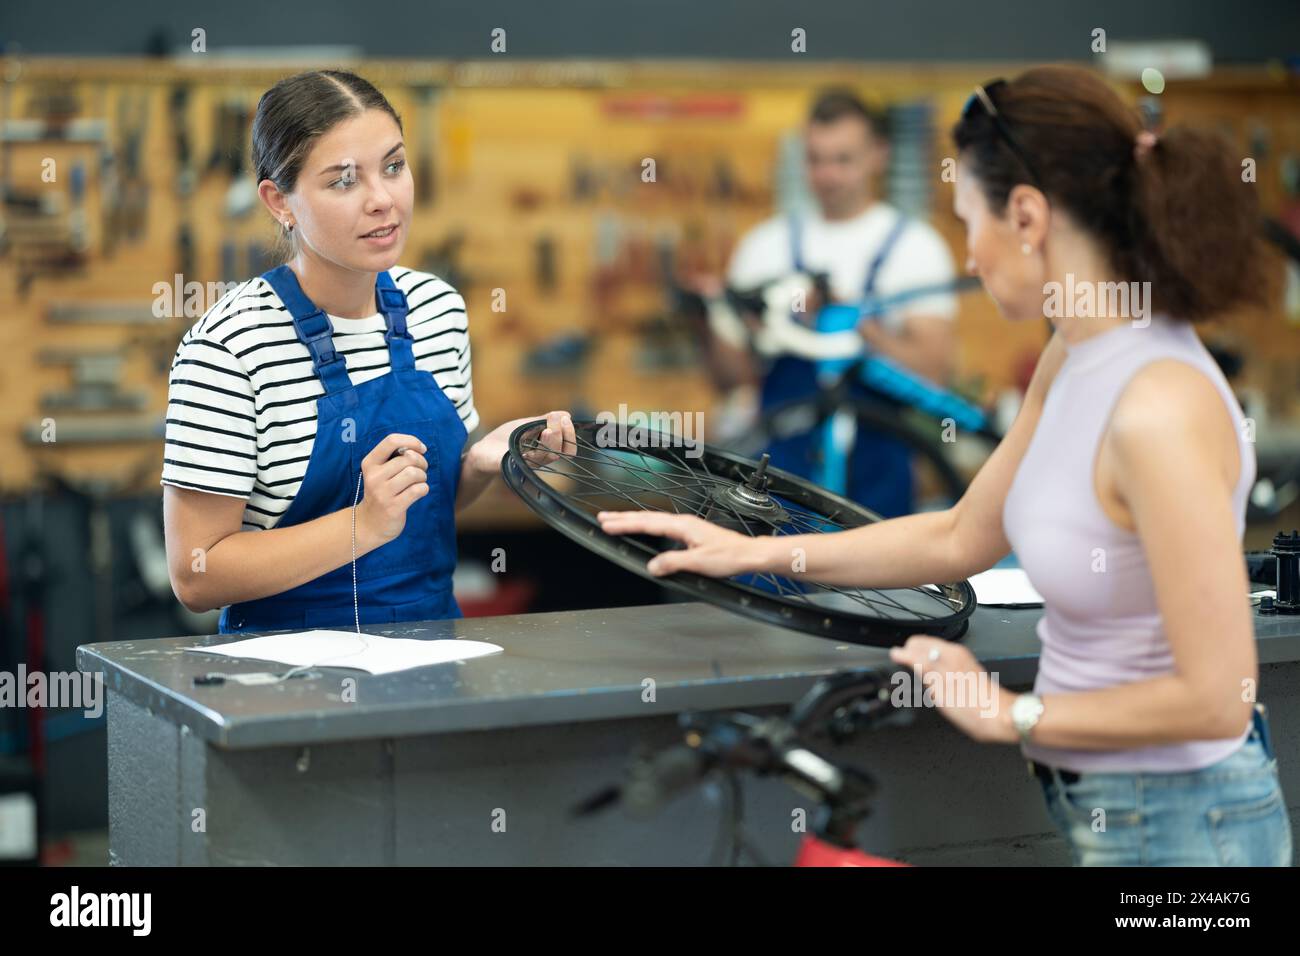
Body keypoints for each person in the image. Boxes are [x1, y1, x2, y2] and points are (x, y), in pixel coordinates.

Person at [600, 66, 1291, 866]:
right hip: (1109, 804)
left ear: (1027, 214)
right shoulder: (1076, 351)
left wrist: (1008, 714)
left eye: (968, 218)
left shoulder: (1156, 405)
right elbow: (963, 534)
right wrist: (755, 551)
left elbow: (1215, 699)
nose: (967, 251)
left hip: (1186, 827)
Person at [162, 70, 574, 633]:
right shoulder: (229, 349)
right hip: (286, 689)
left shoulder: (438, 310)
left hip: (436, 657)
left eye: (394, 166)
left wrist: (479, 464)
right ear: (279, 200)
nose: (383, 200)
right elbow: (195, 574)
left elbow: (419, 508)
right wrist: (361, 525)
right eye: (343, 181)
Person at [694, 89, 958, 517]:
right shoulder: (764, 247)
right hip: (777, 477)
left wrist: (849, 319)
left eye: (843, 159)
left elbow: (932, 373)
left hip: (878, 477)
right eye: (816, 159)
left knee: (880, 582)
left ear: (879, 155)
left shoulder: (916, 248)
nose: (827, 174)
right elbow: (733, 381)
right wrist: (708, 320)